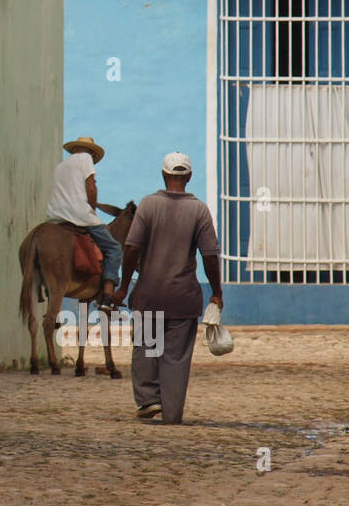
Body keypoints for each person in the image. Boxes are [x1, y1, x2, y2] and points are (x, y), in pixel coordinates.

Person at [117, 152, 223, 425]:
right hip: (183, 297)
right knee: (176, 357)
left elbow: (131, 248)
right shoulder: (199, 210)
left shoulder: (148, 205)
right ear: (188, 177)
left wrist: (124, 286)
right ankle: (172, 412)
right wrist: (216, 292)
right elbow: (209, 255)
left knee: (147, 348)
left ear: (164, 175)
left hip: (150, 294)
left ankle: (149, 399)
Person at [47, 135, 122, 310]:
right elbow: (91, 186)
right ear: (90, 152)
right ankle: (108, 296)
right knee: (114, 248)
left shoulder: (61, 166)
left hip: (55, 216)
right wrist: (93, 209)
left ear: (74, 149)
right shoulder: (86, 158)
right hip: (79, 216)